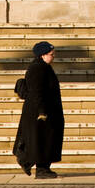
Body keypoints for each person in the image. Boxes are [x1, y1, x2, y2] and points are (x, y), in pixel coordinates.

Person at [13, 40, 64, 179]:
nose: (53, 56)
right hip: (40, 112)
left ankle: (41, 167)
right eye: (51, 54)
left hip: (45, 110)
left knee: (45, 139)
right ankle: (37, 167)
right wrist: (42, 111)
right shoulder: (38, 68)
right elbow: (37, 92)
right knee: (43, 139)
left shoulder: (43, 67)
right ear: (42, 55)